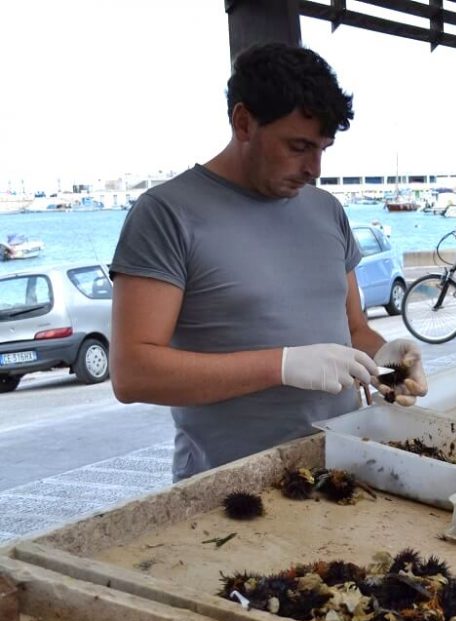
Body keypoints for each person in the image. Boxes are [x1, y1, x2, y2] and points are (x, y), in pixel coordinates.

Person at [109, 43, 427, 482]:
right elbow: (133, 373)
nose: (314, 167)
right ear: (243, 122)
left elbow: (353, 329)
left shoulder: (326, 210)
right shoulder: (166, 214)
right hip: (232, 483)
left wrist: (385, 361)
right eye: (298, 146)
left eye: (323, 148)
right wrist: (280, 366)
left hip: (343, 462)